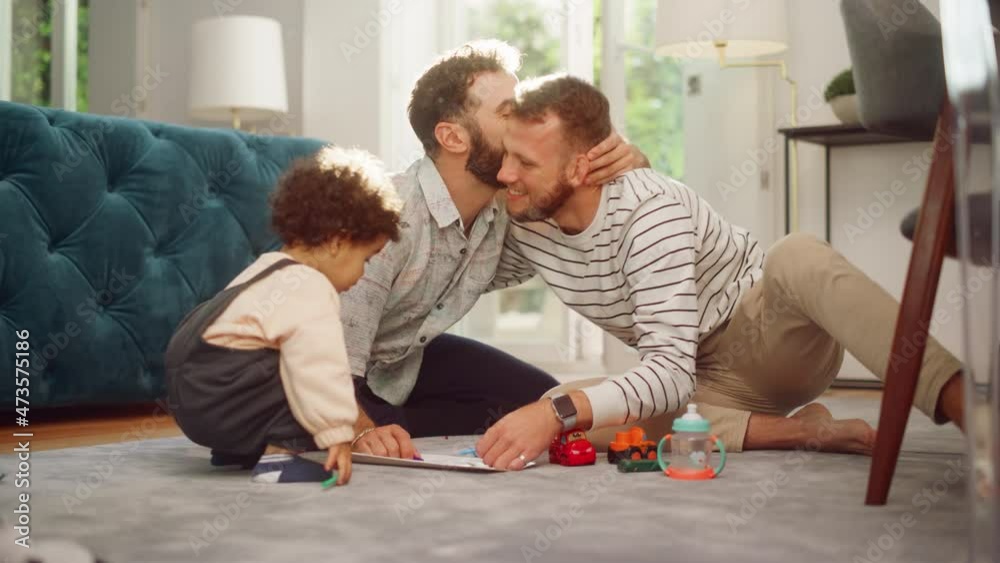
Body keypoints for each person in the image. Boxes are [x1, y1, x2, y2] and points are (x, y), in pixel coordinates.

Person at [474, 74, 966, 470]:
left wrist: (552, 416)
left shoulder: (650, 210)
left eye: (525, 162)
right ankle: (801, 431)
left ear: (581, 169)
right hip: (700, 378)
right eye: (507, 156)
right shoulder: (529, 222)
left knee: (796, 253)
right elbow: (463, 272)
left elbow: (666, 373)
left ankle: (971, 411)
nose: (504, 175)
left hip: (770, 341)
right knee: (563, 399)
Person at [340, 40, 648, 458]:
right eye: (509, 113)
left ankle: (397, 423)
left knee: (545, 402)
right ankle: (365, 426)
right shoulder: (387, 215)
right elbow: (330, 351)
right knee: (343, 422)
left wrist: (630, 163)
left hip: (404, 360)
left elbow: (586, 230)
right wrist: (359, 429)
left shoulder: (503, 213)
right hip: (324, 361)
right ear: (452, 137)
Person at [164, 147, 402, 484]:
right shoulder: (310, 285)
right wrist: (337, 429)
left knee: (279, 359)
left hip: (188, 397)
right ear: (337, 241)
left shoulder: (267, 269)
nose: (363, 274)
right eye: (366, 258)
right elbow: (320, 363)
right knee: (302, 378)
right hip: (219, 388)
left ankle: (240, 449)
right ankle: (279, 457)